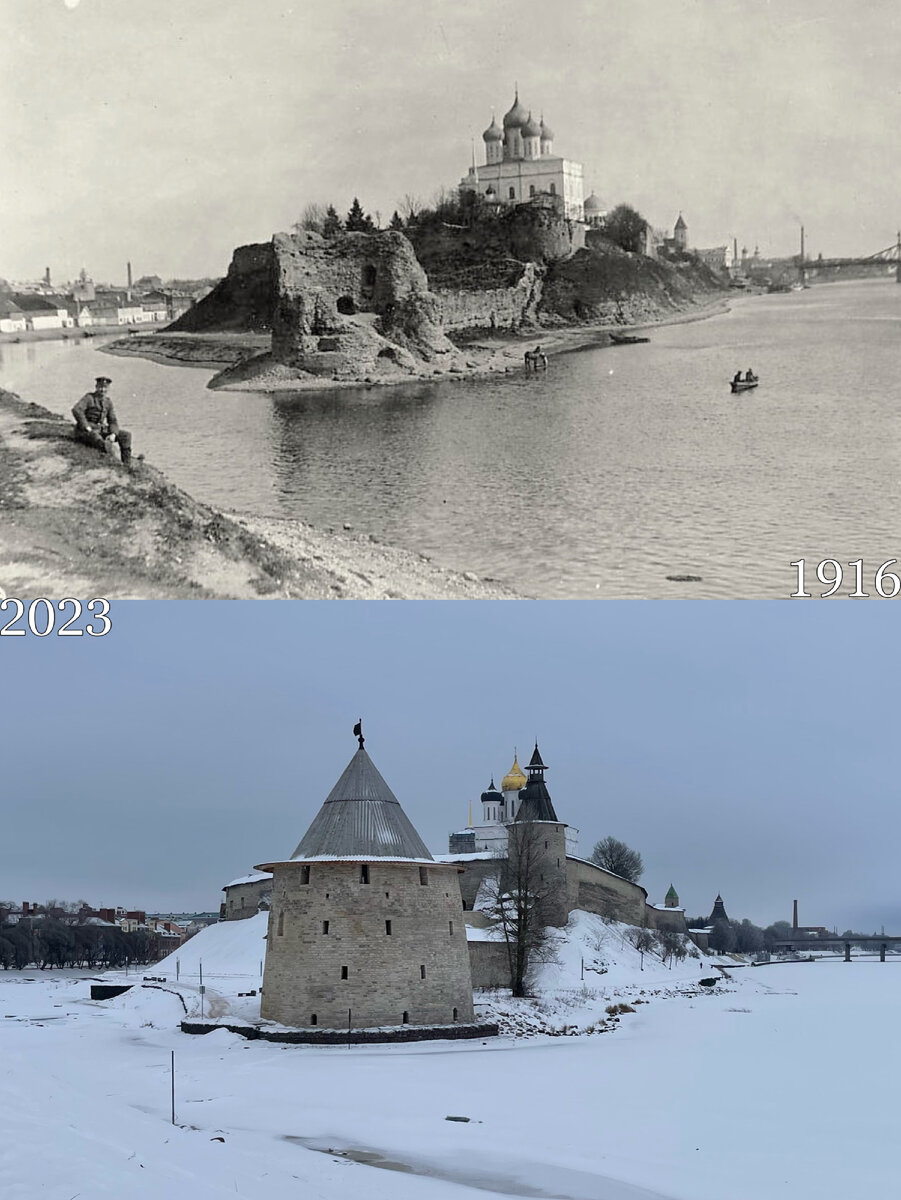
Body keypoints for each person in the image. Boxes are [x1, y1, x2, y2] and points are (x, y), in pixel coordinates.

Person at [72, 376, 132, 466]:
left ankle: (127, 464)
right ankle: (109, 458)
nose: (102, 390)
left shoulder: (108, 402)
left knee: (126, 435)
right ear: (96, 387)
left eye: (105, 388)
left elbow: (112, 420)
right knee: (96, 437)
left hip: (100, 429)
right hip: (85, 430)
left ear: (108, 389)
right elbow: (77, 410)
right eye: (100, 387)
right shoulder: (89, 398)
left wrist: (113, 434)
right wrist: (86, 426)